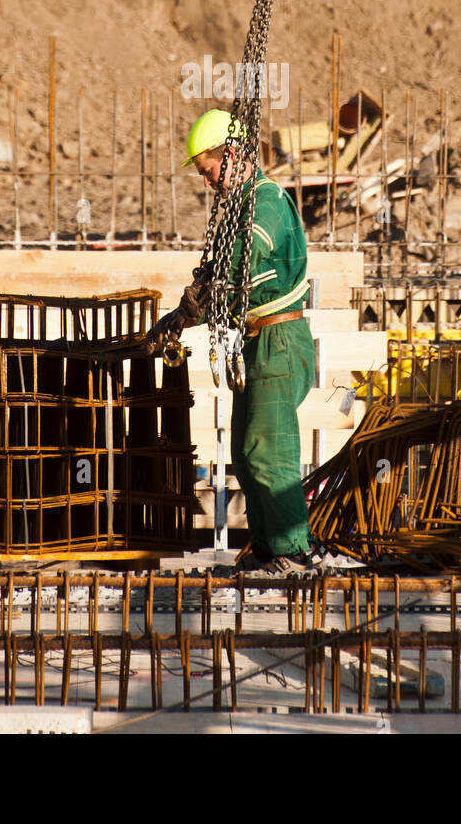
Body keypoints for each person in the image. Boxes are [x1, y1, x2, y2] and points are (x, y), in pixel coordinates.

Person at [150, 109, 316, 575]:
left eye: (208, 170)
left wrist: (192, 305)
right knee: (246, 453)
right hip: (258, 340)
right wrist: (182, 313)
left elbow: (245, 257)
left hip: (280, 339)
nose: (207, 183)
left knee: (270, 450)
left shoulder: (264, 202)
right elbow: (218, 271)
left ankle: (293, 551)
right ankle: (267, 549)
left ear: (233, 154)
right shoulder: (239, 207)